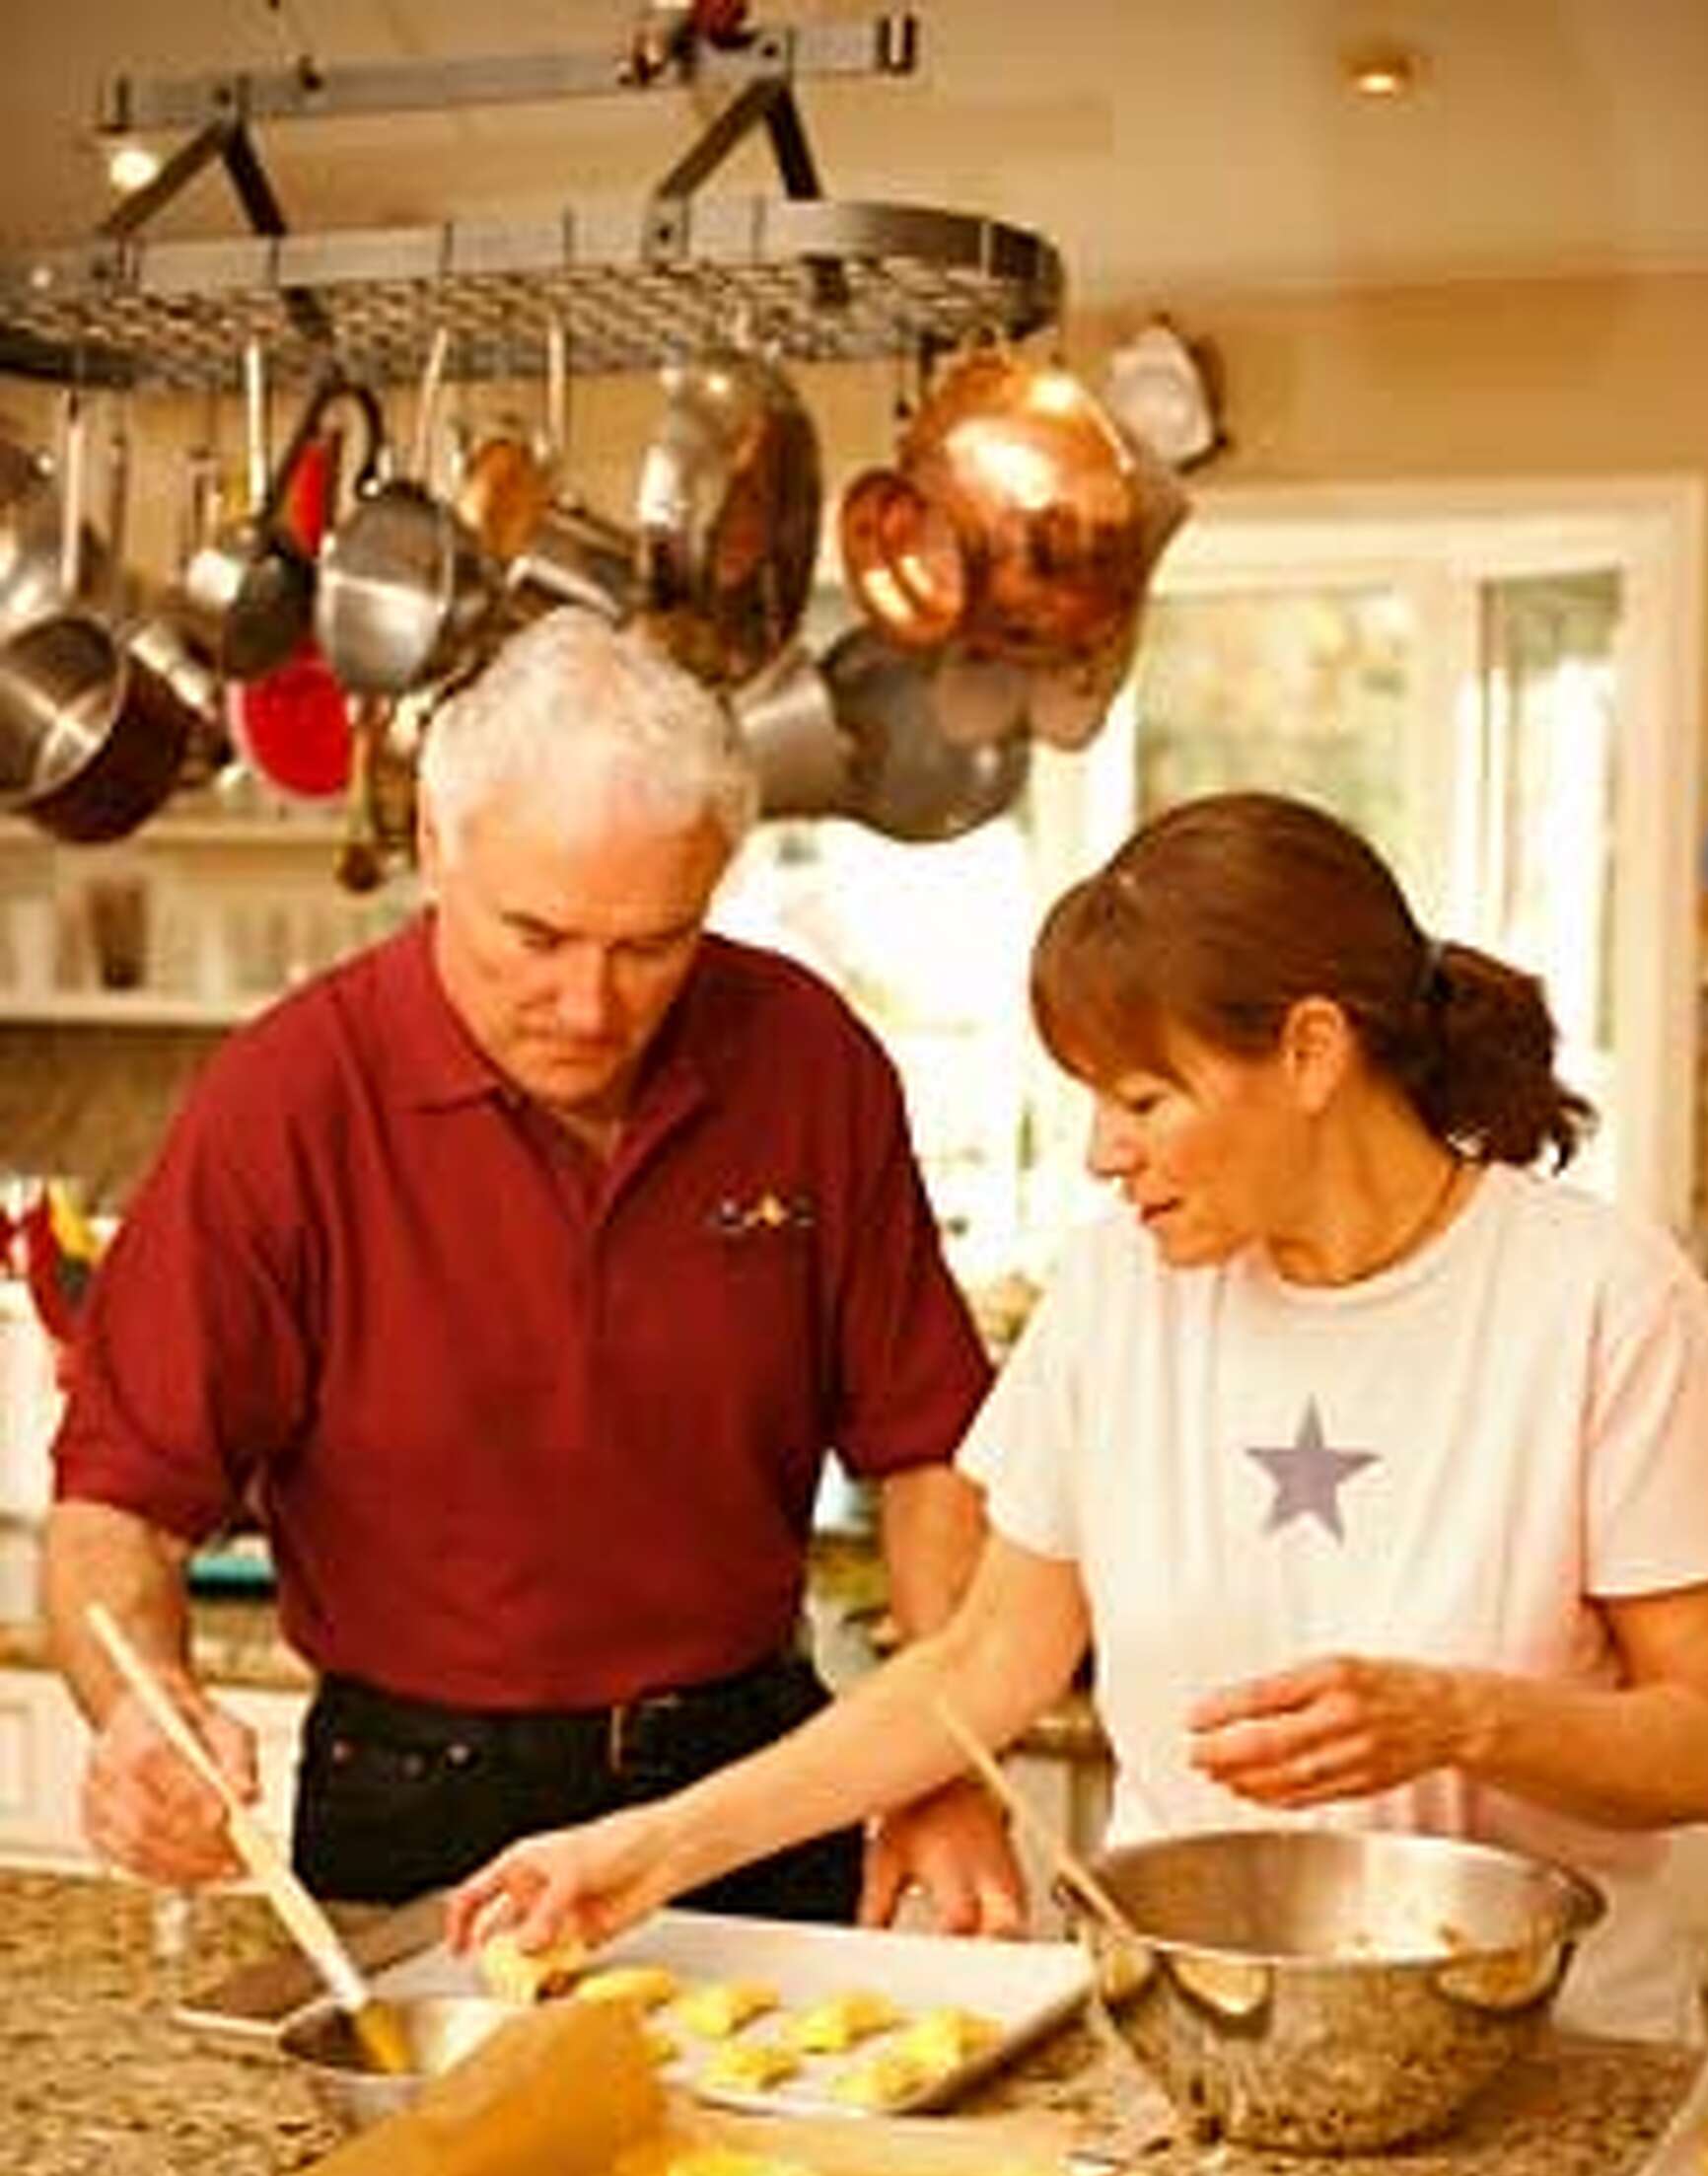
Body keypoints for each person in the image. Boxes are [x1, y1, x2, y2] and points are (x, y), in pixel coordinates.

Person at [447, 788, 1708, 2044]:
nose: (1102, 1150)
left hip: (1543, 2052)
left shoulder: (1603, 1302)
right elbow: (978, 1667)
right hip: (1198, 2035)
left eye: (1144, 1099)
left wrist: (1460, 1717)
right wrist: (646, 1853)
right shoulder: (1120, 1290)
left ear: (1312, 1050)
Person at [42, 609, 1023, 1933]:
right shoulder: (286, 1100)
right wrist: (145, 1717)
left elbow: (930, 1449)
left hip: (752, 1782)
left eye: (651, 945)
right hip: (418, 1800)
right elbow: (119, 1506)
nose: (591, 1006)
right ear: (435, 850)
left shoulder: (805, 1057)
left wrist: (944, 1759)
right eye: (538, 936)